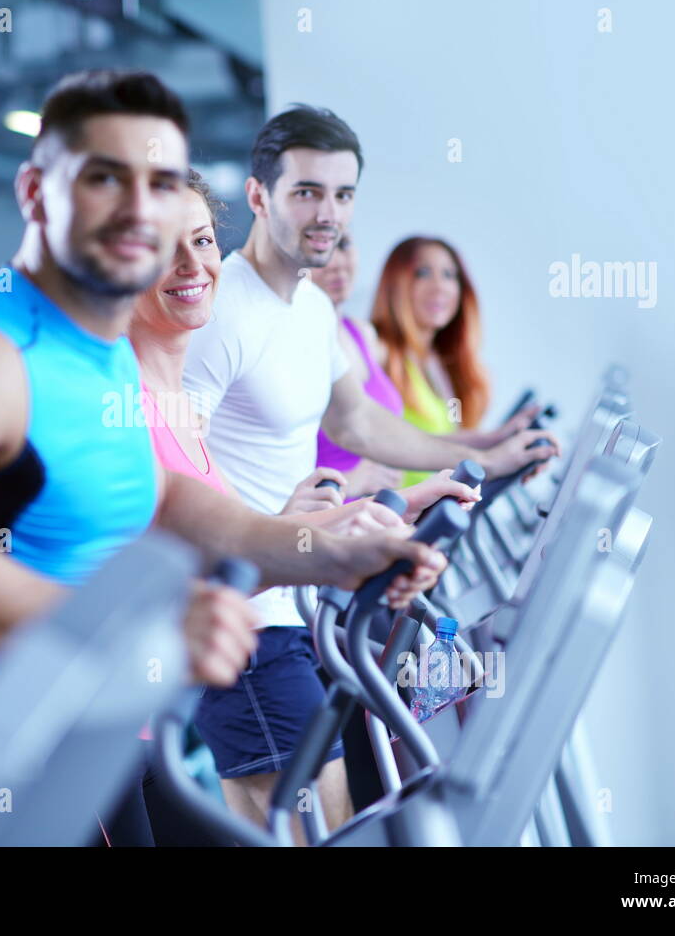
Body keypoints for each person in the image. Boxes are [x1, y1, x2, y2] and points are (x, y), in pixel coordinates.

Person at [0, 71, 449, 846]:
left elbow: (165, 499)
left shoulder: (103, 354)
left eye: (161, 183)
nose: (139, 209)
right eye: (104, 178)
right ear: (34, 192)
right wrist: (132, 632)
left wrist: (332, 551)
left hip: (92, 754)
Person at [179, 104, 560, 830]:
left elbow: (360, 423)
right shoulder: (224, 311)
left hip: (294, 606)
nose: (328, 214)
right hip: (246, 620)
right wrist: (281, 528)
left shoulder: (308, 311)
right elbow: (178, 462)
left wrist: (482, 452)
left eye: (343, 194)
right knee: (321, 821)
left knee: (319, 820)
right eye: (307, 192)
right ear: (259, 196)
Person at [130, 171, 481, 835]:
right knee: (322, 818)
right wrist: (345, 546)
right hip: (136, 724)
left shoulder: (175, 405)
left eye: (202, 239)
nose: (193, 263)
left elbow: (240, 542)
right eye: (161, 246)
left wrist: (389, 511)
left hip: (180, 695)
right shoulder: (130, 409)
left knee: (310, 821)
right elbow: (212, 562)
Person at [371, 236, 536, 485]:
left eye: (450, 275)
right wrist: (489, 456)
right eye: (423, 273)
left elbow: (443, 440)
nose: (440, 286)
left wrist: (498, 440)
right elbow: (387, 441)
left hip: (424, 515)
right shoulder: (379, 351)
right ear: (395, 283)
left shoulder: (438, 365)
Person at [312, 234, 407, 497]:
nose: (337, 263)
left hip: (376, 516)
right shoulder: (292, 345)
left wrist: (485, 446)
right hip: (326, 524)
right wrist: (352, 480)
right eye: (321, 252)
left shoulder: (362, 333)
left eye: (342, 245)